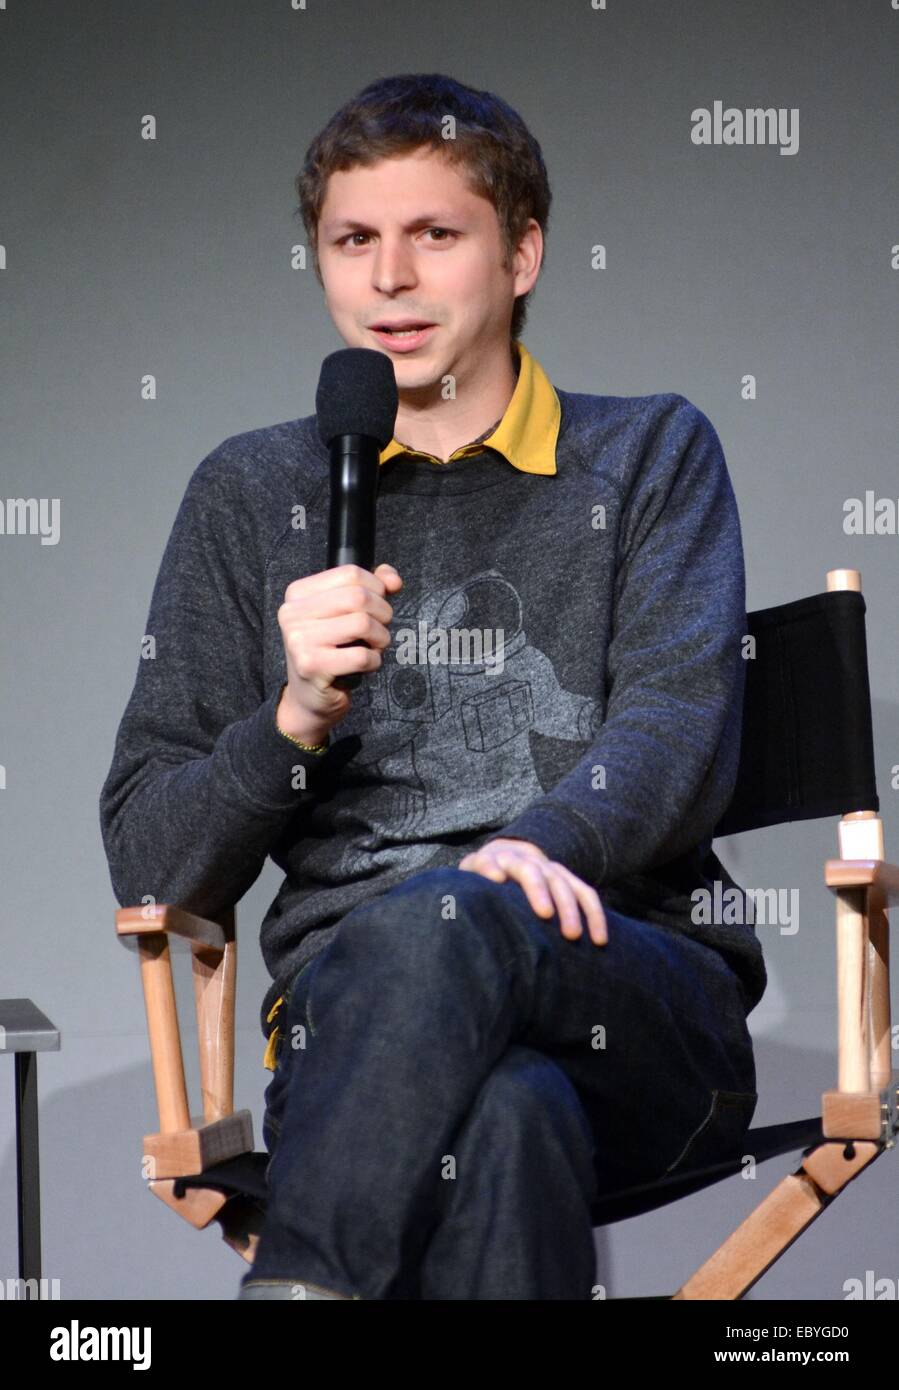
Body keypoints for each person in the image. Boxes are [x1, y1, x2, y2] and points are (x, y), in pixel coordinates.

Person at [99, 72, 767, 1301]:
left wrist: (529, 848)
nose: (388, 279)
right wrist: (289, 719)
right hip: (360, 1042)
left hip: (636, 993)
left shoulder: (647, 453)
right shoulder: (250, 496)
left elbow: (678, 725)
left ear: (520, 254)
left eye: (433, 235)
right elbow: (150, 861)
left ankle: (298, 1287)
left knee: (452, 913)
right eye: (354, 241)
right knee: (507, 1121)